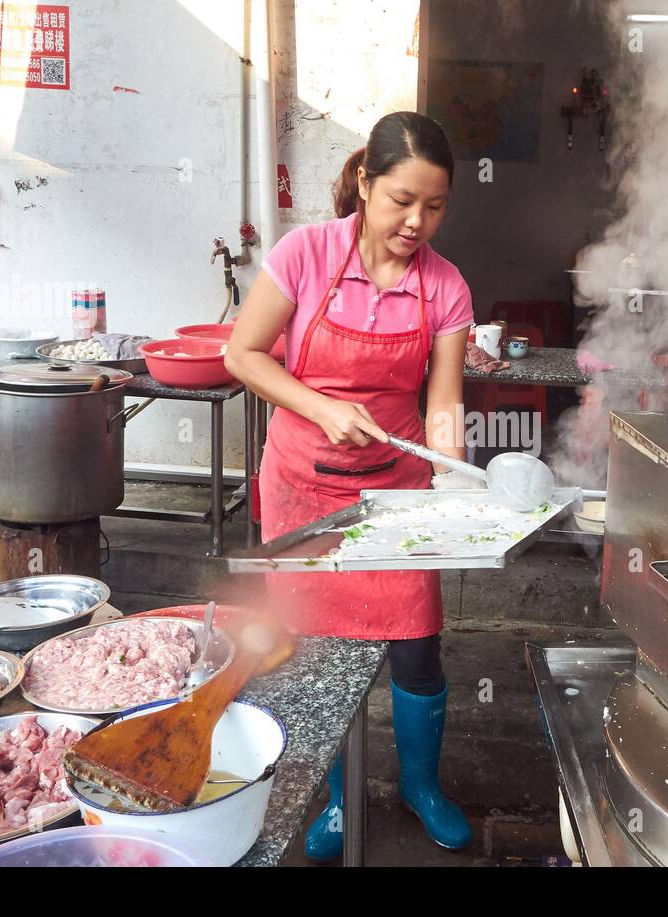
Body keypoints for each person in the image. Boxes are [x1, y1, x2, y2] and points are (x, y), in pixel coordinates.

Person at [225, 111, 476, 861]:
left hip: (394, 494)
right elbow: (244, 353)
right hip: (306, 488)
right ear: (364, 184)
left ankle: (420, 786)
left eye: (434, 206)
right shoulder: (306, 253)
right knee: (319, 654)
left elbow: (442, 400)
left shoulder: (447, 287)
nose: (416, 221)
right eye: (401, 199)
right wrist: (322, 405)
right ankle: (336, 794)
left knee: (416, 648)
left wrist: (454, 469)